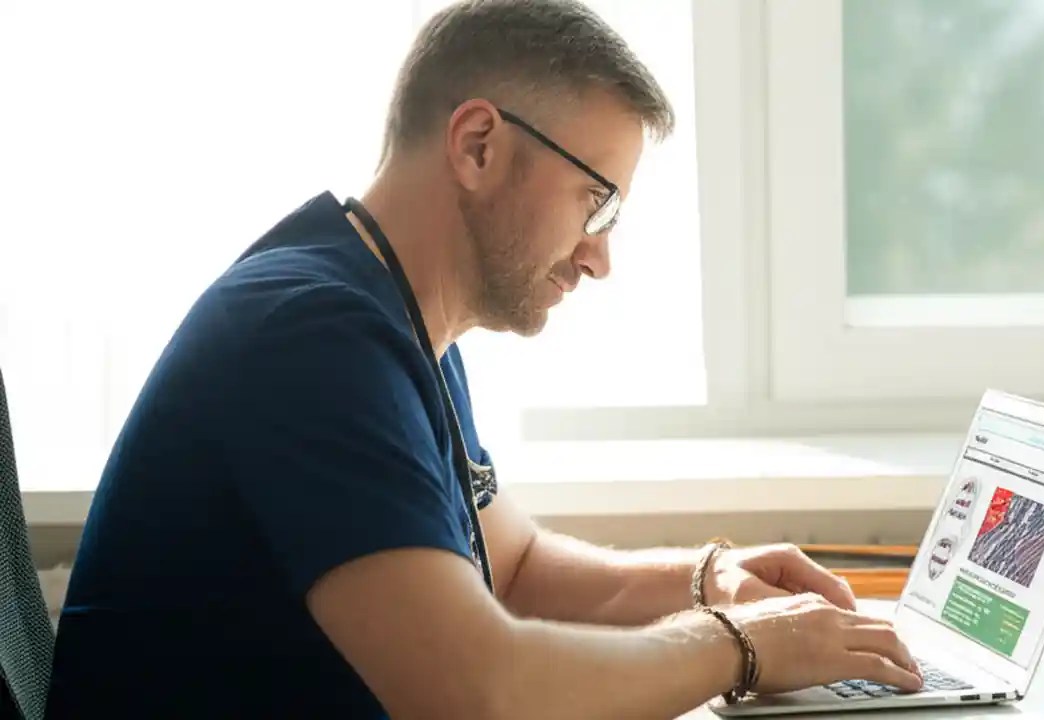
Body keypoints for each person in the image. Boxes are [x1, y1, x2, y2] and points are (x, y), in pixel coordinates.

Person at [44, 1, 923, 717]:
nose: (598, 255)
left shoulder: (394, 317)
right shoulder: (310, 338)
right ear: (477, 146)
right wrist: (741, 646)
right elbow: (475, 690)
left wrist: (706, 579)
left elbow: (518, 570)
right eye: (595, 201)